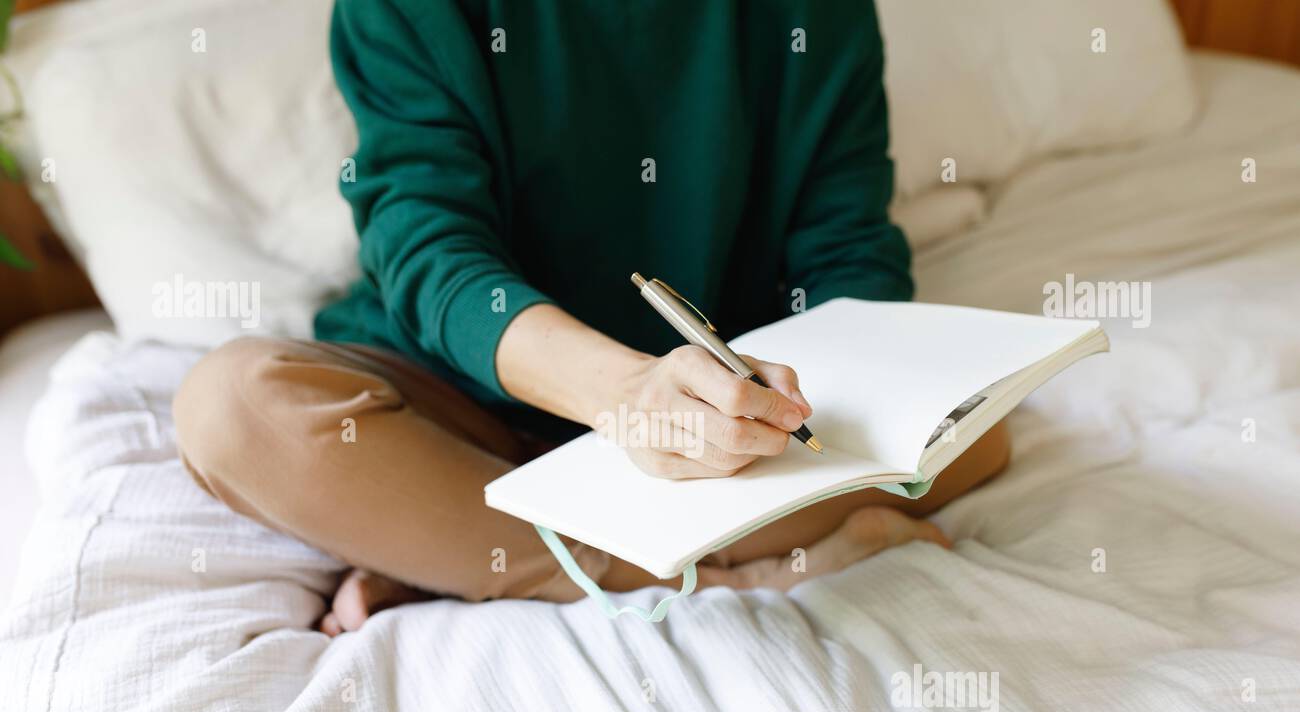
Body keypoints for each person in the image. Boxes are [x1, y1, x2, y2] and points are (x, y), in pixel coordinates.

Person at [174, 0, 1009, 635]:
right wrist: (629, 398)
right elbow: (429, 251)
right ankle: (725, 580)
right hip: (465, 409)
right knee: (231, 410)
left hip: (718, 435)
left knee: (981, 433)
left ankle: (462, 557)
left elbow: (848, 254)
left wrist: (802, 399)